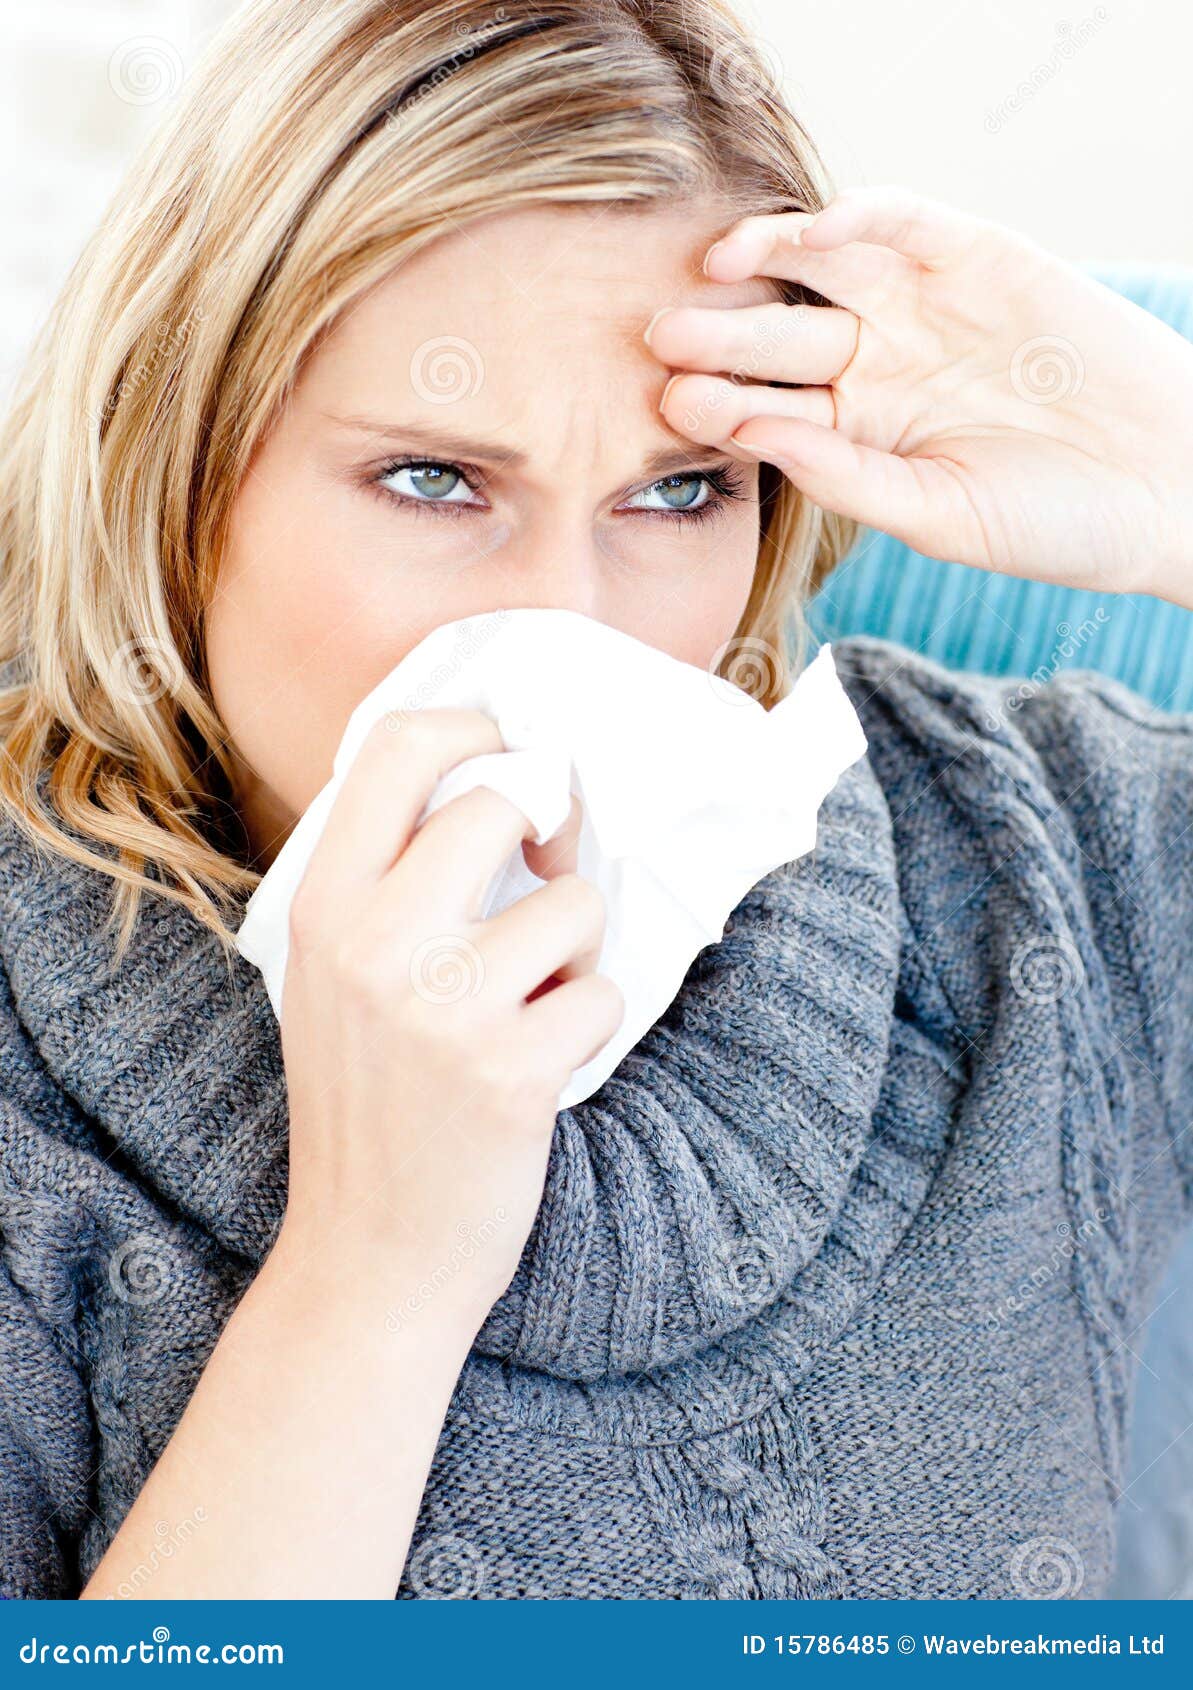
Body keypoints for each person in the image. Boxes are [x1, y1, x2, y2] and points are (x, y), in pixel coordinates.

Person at [0, 0, 1190, 1601]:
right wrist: (373, 1275)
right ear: (173, 464)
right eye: (434, 479)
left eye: (676, 490)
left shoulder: (1039, 862)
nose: (570, 623)